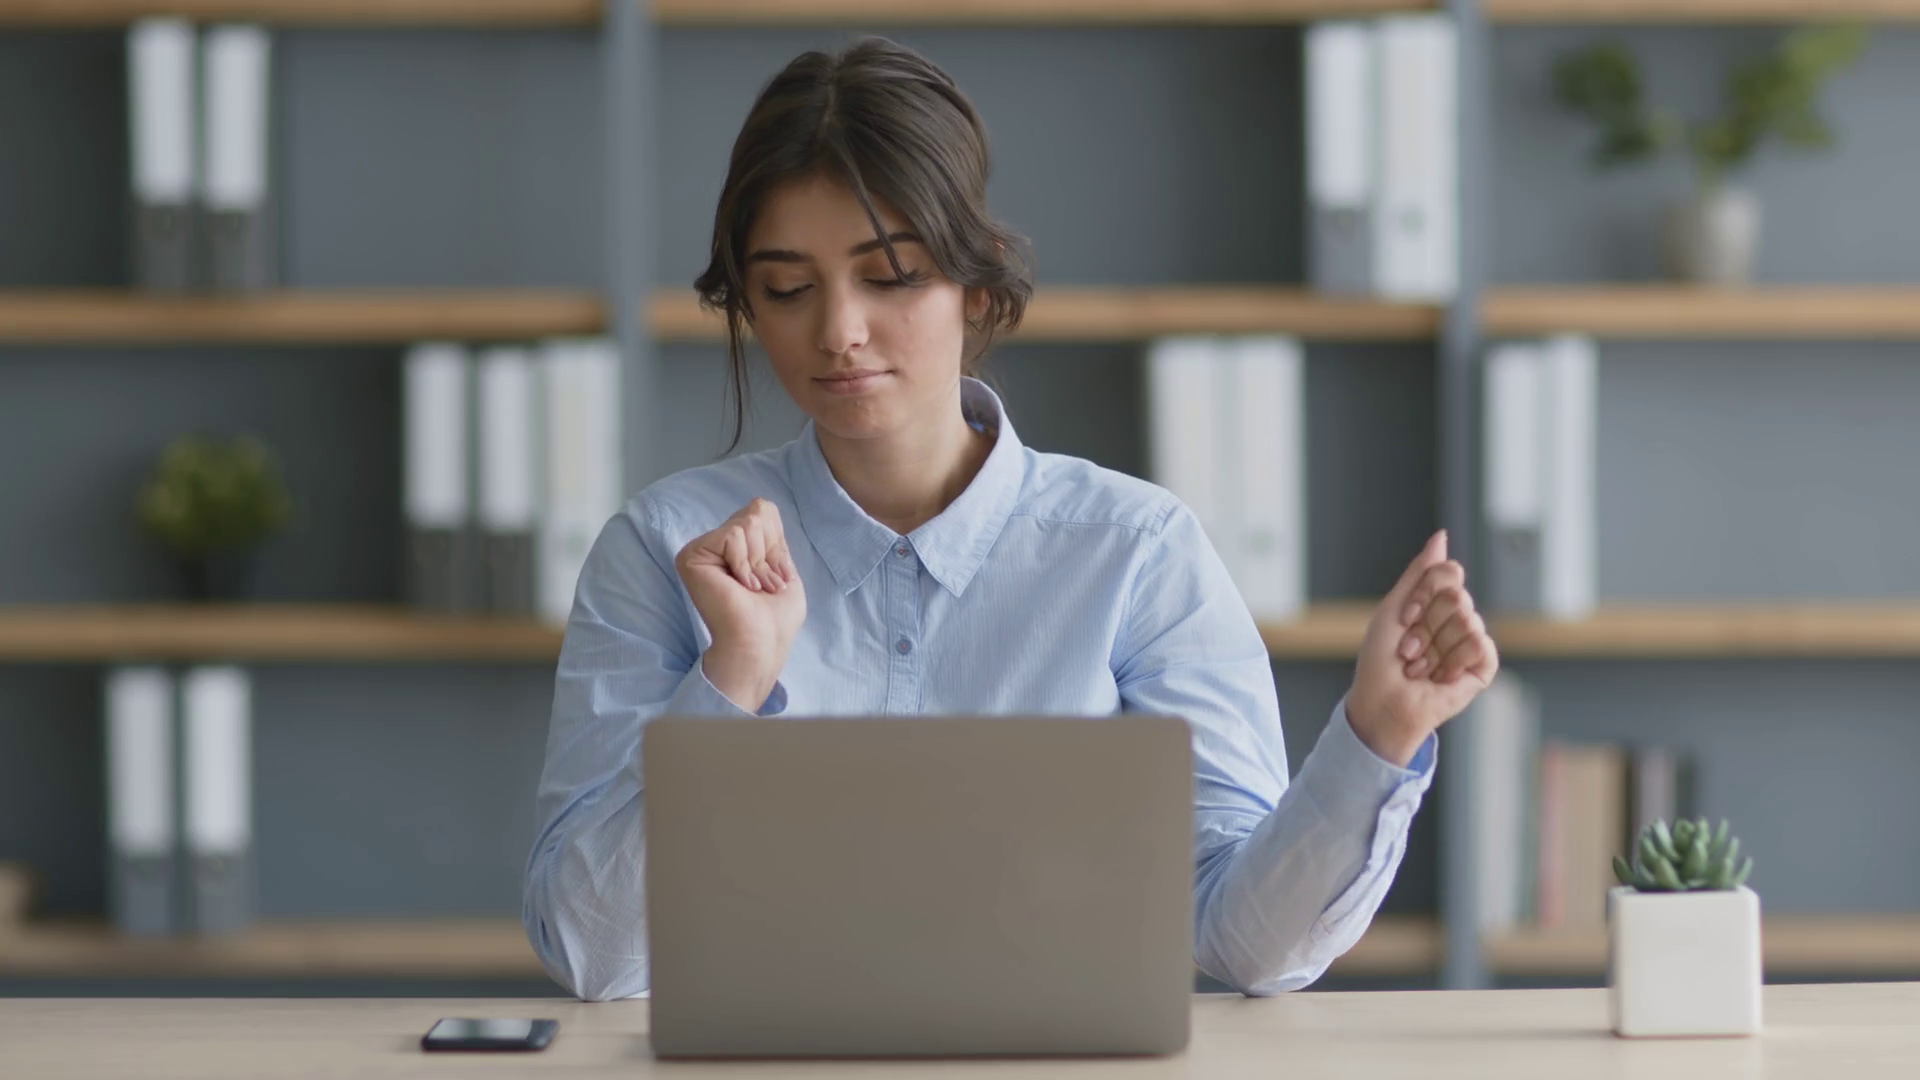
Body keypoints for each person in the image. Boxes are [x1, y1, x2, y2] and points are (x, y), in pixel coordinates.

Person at [523, 36, 1498, 1003]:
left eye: (890, 275)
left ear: (975, 283)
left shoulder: (1136, 553)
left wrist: (1380, 732)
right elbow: (591, 952)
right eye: (787, 288)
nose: (838, 331)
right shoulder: (662, 550)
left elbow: (1246, 944)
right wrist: (730, 681)